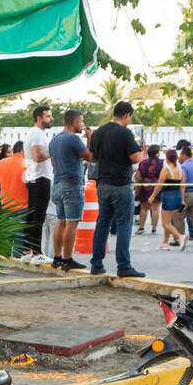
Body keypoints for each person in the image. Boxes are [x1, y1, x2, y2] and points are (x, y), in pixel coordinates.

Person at [86, 100, 146, 278]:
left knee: (102, 223)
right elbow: (135, 158)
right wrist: (142, 153)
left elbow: (92, 157)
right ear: (127, 115)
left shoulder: (98, 132)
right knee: (123, 225)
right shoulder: (125, 133)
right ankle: (124, 265)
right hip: (121, 184)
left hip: (102, 183)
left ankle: (96, 263)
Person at [47, 109, 92, 270]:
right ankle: (67, 259)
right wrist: (90, 138)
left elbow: (53, 163)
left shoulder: (54, 140)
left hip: (58, 183)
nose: (82, 124)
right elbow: (89, 157)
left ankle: (57, 258)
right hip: (72, 183)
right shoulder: (73, 138)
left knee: (61, 221)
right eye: (81, 121)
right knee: (71, 223)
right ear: (73, 122)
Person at [22, 105, 54, 264]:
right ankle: (36, 253)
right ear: (39, 118)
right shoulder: (37, 133)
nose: (51, 119)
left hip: (34, 177)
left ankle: (27, 250)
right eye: (48, 116)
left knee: (31, 216)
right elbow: (38, 156)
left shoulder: (33, 133)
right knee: (38, 217)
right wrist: (53, 150)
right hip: (40, 177)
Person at [150, 147, 187, 250]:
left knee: (165, 223)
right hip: (177, 196)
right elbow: (182, 185)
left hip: (168, 196)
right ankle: (165, 242)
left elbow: (160, 184)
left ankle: (180, 236)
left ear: (167, 158)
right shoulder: (180, 169)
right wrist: (182, 199)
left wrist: (152, 196)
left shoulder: (166, 169)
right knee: (169, 221)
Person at [134, 145, 163, 234]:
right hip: (157, 185)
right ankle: (154, 229)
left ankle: (141, 227)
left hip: (145, 185)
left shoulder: (143, 162)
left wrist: (137, 187)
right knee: (155, 208)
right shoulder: (161, 163)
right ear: (157, 153)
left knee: (143, 208)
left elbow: (138, 175)